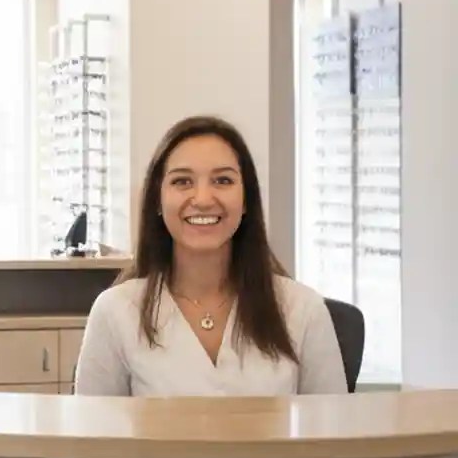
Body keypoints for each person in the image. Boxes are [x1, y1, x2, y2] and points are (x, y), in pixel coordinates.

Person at [74, 115, 347, 396]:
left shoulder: (303, 310)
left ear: (245, 201)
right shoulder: (116, 312)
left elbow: (332, 434)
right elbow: (92, 436)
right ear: (158, 199)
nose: (203, 199)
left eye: (223, 180)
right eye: (182, 181)